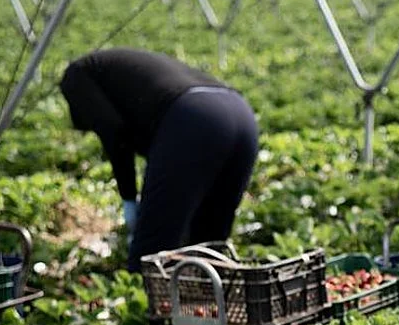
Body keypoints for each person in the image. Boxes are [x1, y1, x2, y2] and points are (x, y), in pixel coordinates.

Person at [59, 47, 259, 272]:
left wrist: (128, 198)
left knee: (152, 258)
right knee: (208, 249)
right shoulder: (119, 70)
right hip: (241, 114)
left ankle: (144, 293)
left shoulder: (76, 75)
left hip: (194, 119)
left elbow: (114, 133)